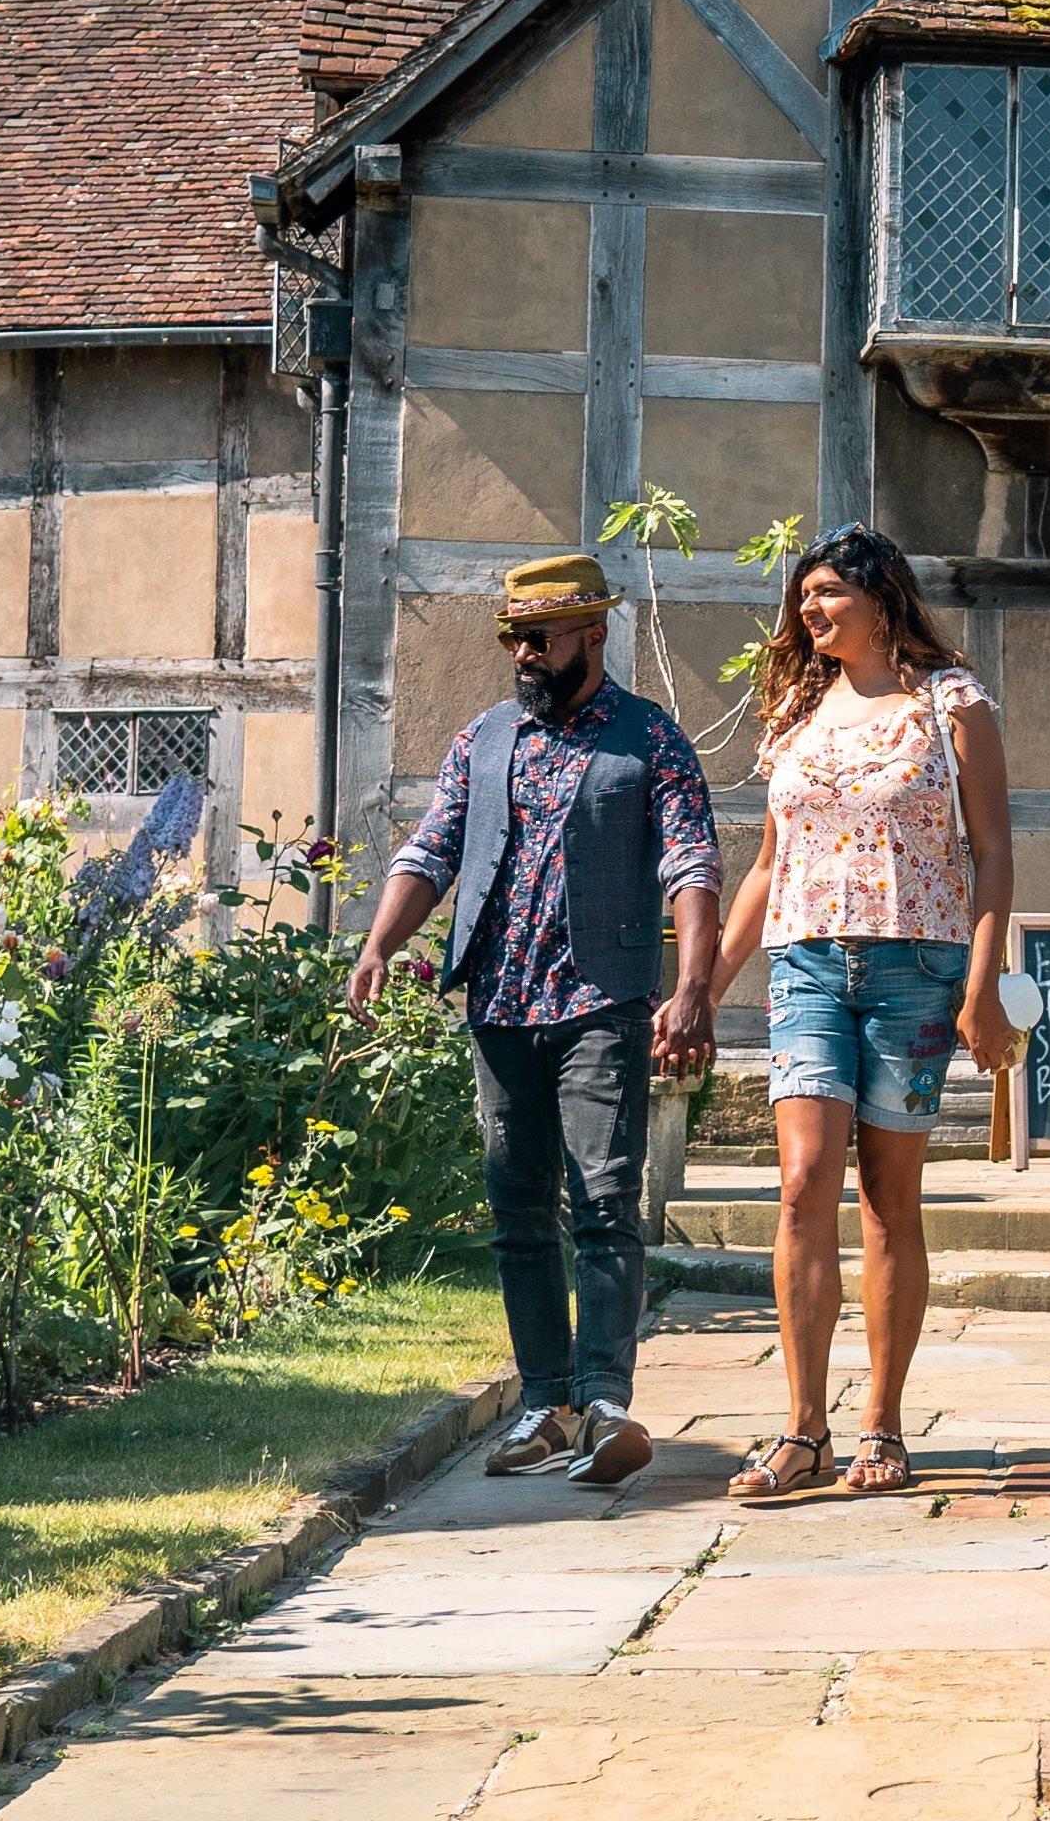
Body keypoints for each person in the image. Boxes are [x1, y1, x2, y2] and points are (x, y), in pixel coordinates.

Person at [350, 550, 720, 1484]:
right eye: (514, 637)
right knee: (518, 1213)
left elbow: (692, 865)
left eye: (540, 637)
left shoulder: (650, 740)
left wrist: (693, 984)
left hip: (602, 1000)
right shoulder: (482, 739)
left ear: (593, 632)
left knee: (603, 1200)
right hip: (502, 1005)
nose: (523, 652)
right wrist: (382, 942)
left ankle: (604, 1405)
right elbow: (430, 847)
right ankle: (544, 1404)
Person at [707, 527, 1013, 1501]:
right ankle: (803, 1431)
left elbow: (994, 854)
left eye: (829, 591)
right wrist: (703, 988)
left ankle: (881, 1423)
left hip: (914, 972)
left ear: (884, 599)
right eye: (804, 593)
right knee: (801, 1186)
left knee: (887, 1199)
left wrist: (978, 983)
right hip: (804, 965)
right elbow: (766, 865)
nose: (810, 608)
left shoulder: (950, 703)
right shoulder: (795, 708)